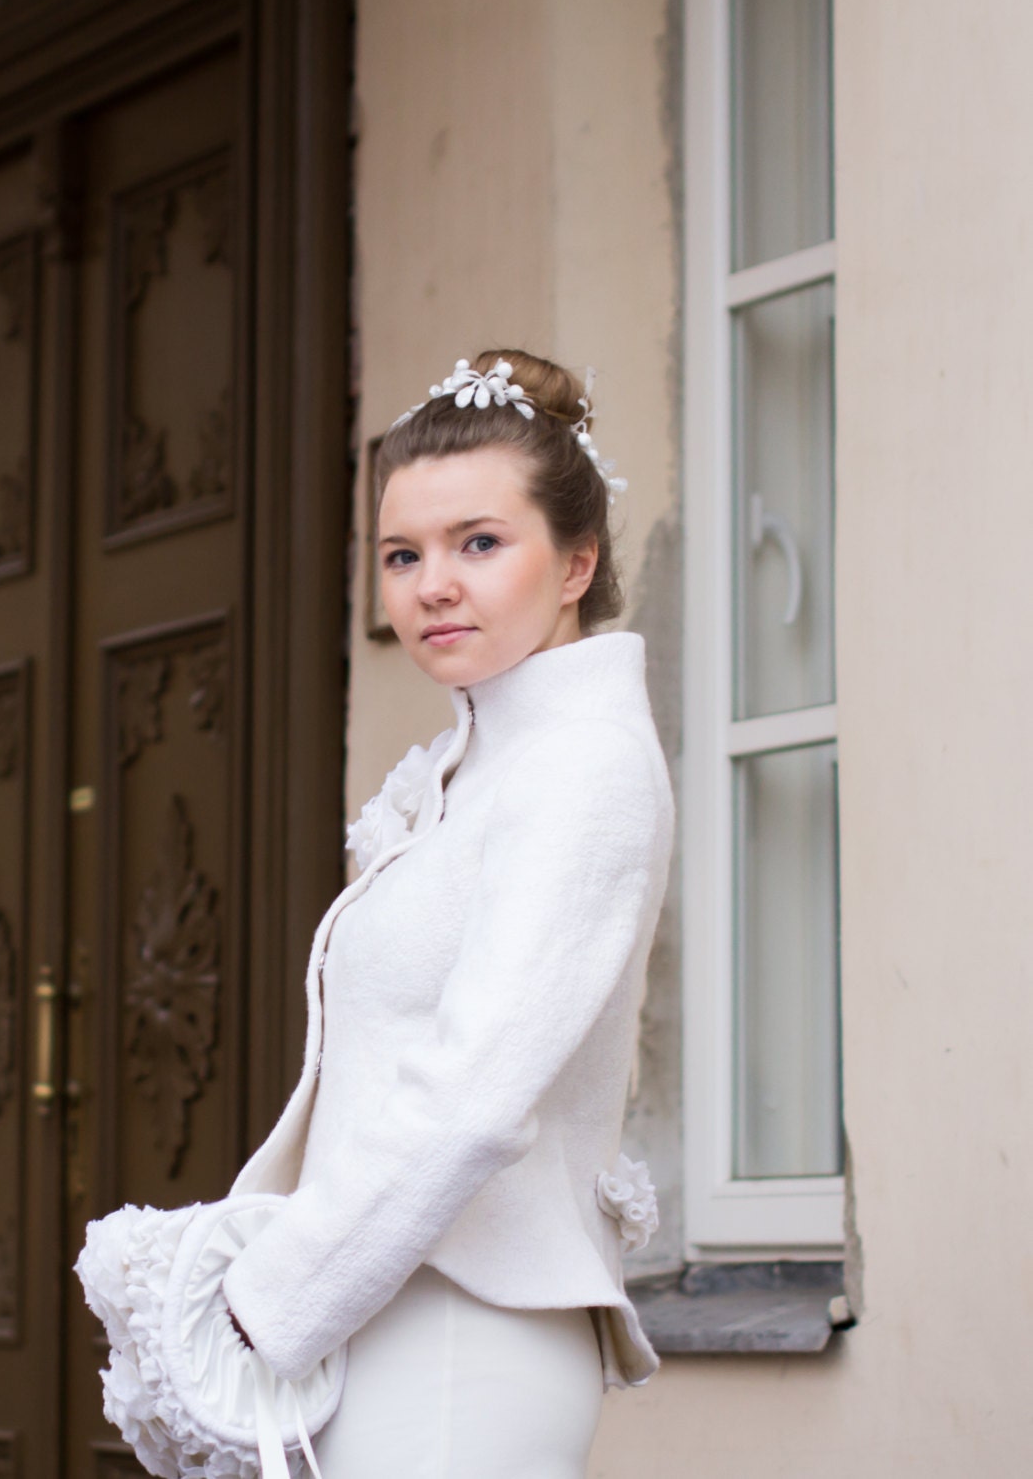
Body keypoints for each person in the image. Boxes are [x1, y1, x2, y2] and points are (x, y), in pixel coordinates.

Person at [217, 349, 674, 1477]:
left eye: (479, 543)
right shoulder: (475, 769)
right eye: (401, 554)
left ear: (577, 562)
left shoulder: (584, 771)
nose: (432, 585)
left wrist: (273, 1295)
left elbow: (474, 1095)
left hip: (473, 1338)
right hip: (395, 1320)